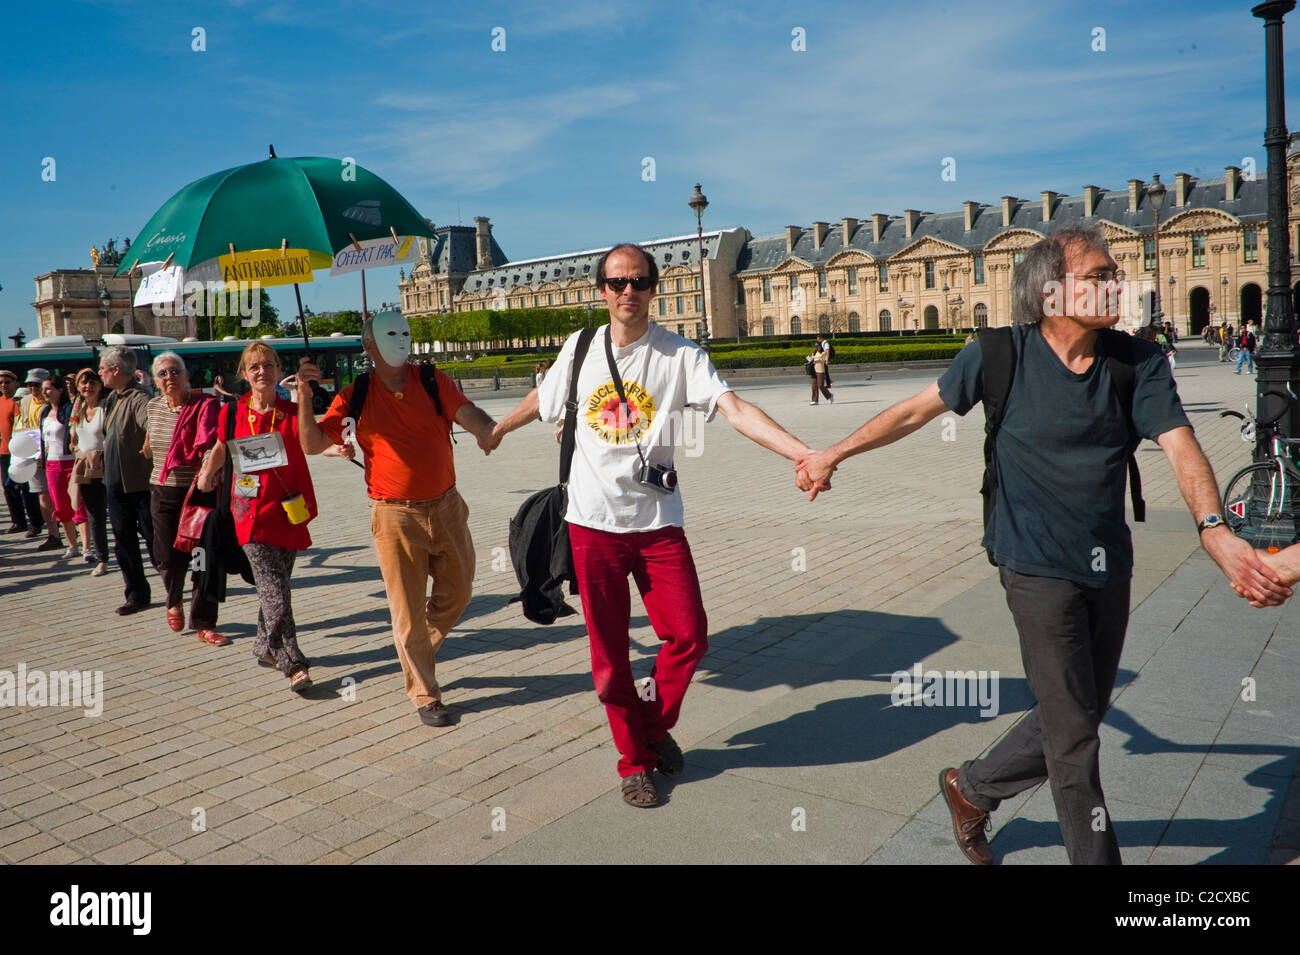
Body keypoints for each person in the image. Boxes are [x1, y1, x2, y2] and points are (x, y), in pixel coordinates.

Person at [797, 224, 1290, 864]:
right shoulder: (998, 355)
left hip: (1107, 562)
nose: (1119, 284)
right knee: (1076, 745)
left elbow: (1180, 444)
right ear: (1052, 293)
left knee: (1079, 713)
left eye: (1117, 274)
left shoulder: (1135, 361)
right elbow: (914, 411)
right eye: (1101, 276)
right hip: (1031, 565)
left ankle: (971, 788)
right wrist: (833, 452)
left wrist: (1214, 529)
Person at [491, 243, 817, 808]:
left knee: (688, 636)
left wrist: (801, 452)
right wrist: (496, 429)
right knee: (610, 654)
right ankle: (634, 760)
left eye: (638, 282)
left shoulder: (679, 355)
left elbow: (734, 408)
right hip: (591, 525)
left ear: (653, 289)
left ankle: (650, 723)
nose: (628, 291)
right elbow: (542, 398)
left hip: (658, 524)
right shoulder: (581, 347)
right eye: (617, 283)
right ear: (601, 291)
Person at [296, 310, 499, 727]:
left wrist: (489, 429)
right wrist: (303, 393)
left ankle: (415, 645)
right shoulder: (356, 393)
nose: (400, 338)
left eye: (404, 331)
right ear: (369, 346)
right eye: (389, 333)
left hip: (446, 506)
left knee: (459, 593)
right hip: (394, 516)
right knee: (405, 612)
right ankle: (425, 694)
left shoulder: (431, 379)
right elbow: (314, 444)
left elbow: (468, 412)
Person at [198, 343, 317, 692]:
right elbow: (222, 445)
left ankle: (264, 646)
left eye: (268, 365)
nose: (261, 371)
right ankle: (293, 661)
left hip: (288, 510)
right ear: (245, 374)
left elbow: (313, 441)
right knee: (276, 592)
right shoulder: (233, 411)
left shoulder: (292, 410)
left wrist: (337, 448)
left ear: (279, 369)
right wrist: (207, 473)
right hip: (249, 513)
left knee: (275, 589)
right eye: (254, 367)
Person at [143, 352, 225, 645]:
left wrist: (206, 470)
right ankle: (173, 599)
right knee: (166, 555)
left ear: (187, 375)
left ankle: (204, 622)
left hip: (199, 491)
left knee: (204, 558)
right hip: (162, 489)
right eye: (163, 373)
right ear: (155, 380)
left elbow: (213, 442)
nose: (169, 377)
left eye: (175, 371)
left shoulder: (205, 405)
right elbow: (151, 443)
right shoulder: (152, 408)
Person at [99, 345, 156, 615]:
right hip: (115, 484)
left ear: (116, 370)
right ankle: (136, 594)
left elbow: (150, 422)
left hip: (139, 485)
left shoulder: (138, 398)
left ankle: (176, 581)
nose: (100, 373)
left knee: (155, 539)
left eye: (102, 368)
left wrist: (148, 441)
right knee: (123, 541)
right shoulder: (113, 398)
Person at [69, 368, 109, 577]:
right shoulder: (78, 408)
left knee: (121, 514)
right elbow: (74, 439)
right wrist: (76, 448)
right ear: (78, 386)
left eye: (92, 382)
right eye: (83, 383)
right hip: (87, 468)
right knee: (95, 517)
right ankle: (102, 559)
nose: (88, 386)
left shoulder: (106, 407)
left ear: (100, 385)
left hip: (107, 466)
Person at [38, 375, 79, 557]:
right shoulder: (45, 411)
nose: (45, 392)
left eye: (48, 388)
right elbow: (43, 437)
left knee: (78, 505)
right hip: (51, 463)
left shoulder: (68, 409)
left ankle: (87, 547)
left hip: (70, 461)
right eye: (43, 389)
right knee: (61, 507)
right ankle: (72, 545)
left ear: (59, 389)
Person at [18, 369, 56, 544]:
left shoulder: (53, 402)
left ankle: (69, 526)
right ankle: (53, 533)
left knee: (58, 494)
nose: (32, 388)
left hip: (52, 453)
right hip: (32, 453)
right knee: (42, 494)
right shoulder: (25, 401)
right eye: (29, 384)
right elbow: (21, 425)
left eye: (36, 384)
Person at [1, 369, 29, 534]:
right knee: (8, 488)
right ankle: (18, 521)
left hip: (19, 451)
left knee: (25, 488)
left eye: (7, 382)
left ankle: (34, 521)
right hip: (4, 451)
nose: (4, 385)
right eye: (1, 383)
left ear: (16, 383)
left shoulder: (18, 402)